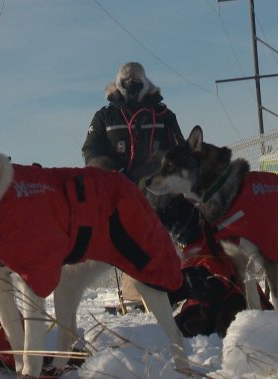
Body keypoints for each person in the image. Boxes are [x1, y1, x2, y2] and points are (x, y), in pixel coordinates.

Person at [82, 62, 184, 311]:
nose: (131, 87)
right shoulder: (105, 117)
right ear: (119, 84)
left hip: (158, 192)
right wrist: (114, 175)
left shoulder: (163, 115)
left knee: (165, 238)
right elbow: (91, 150)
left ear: (144, 83)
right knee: (131, 241)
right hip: (120, 191)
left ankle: (175, 285)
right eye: (126, 83)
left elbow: (180, 151)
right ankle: (137, 292)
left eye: (136, 83)